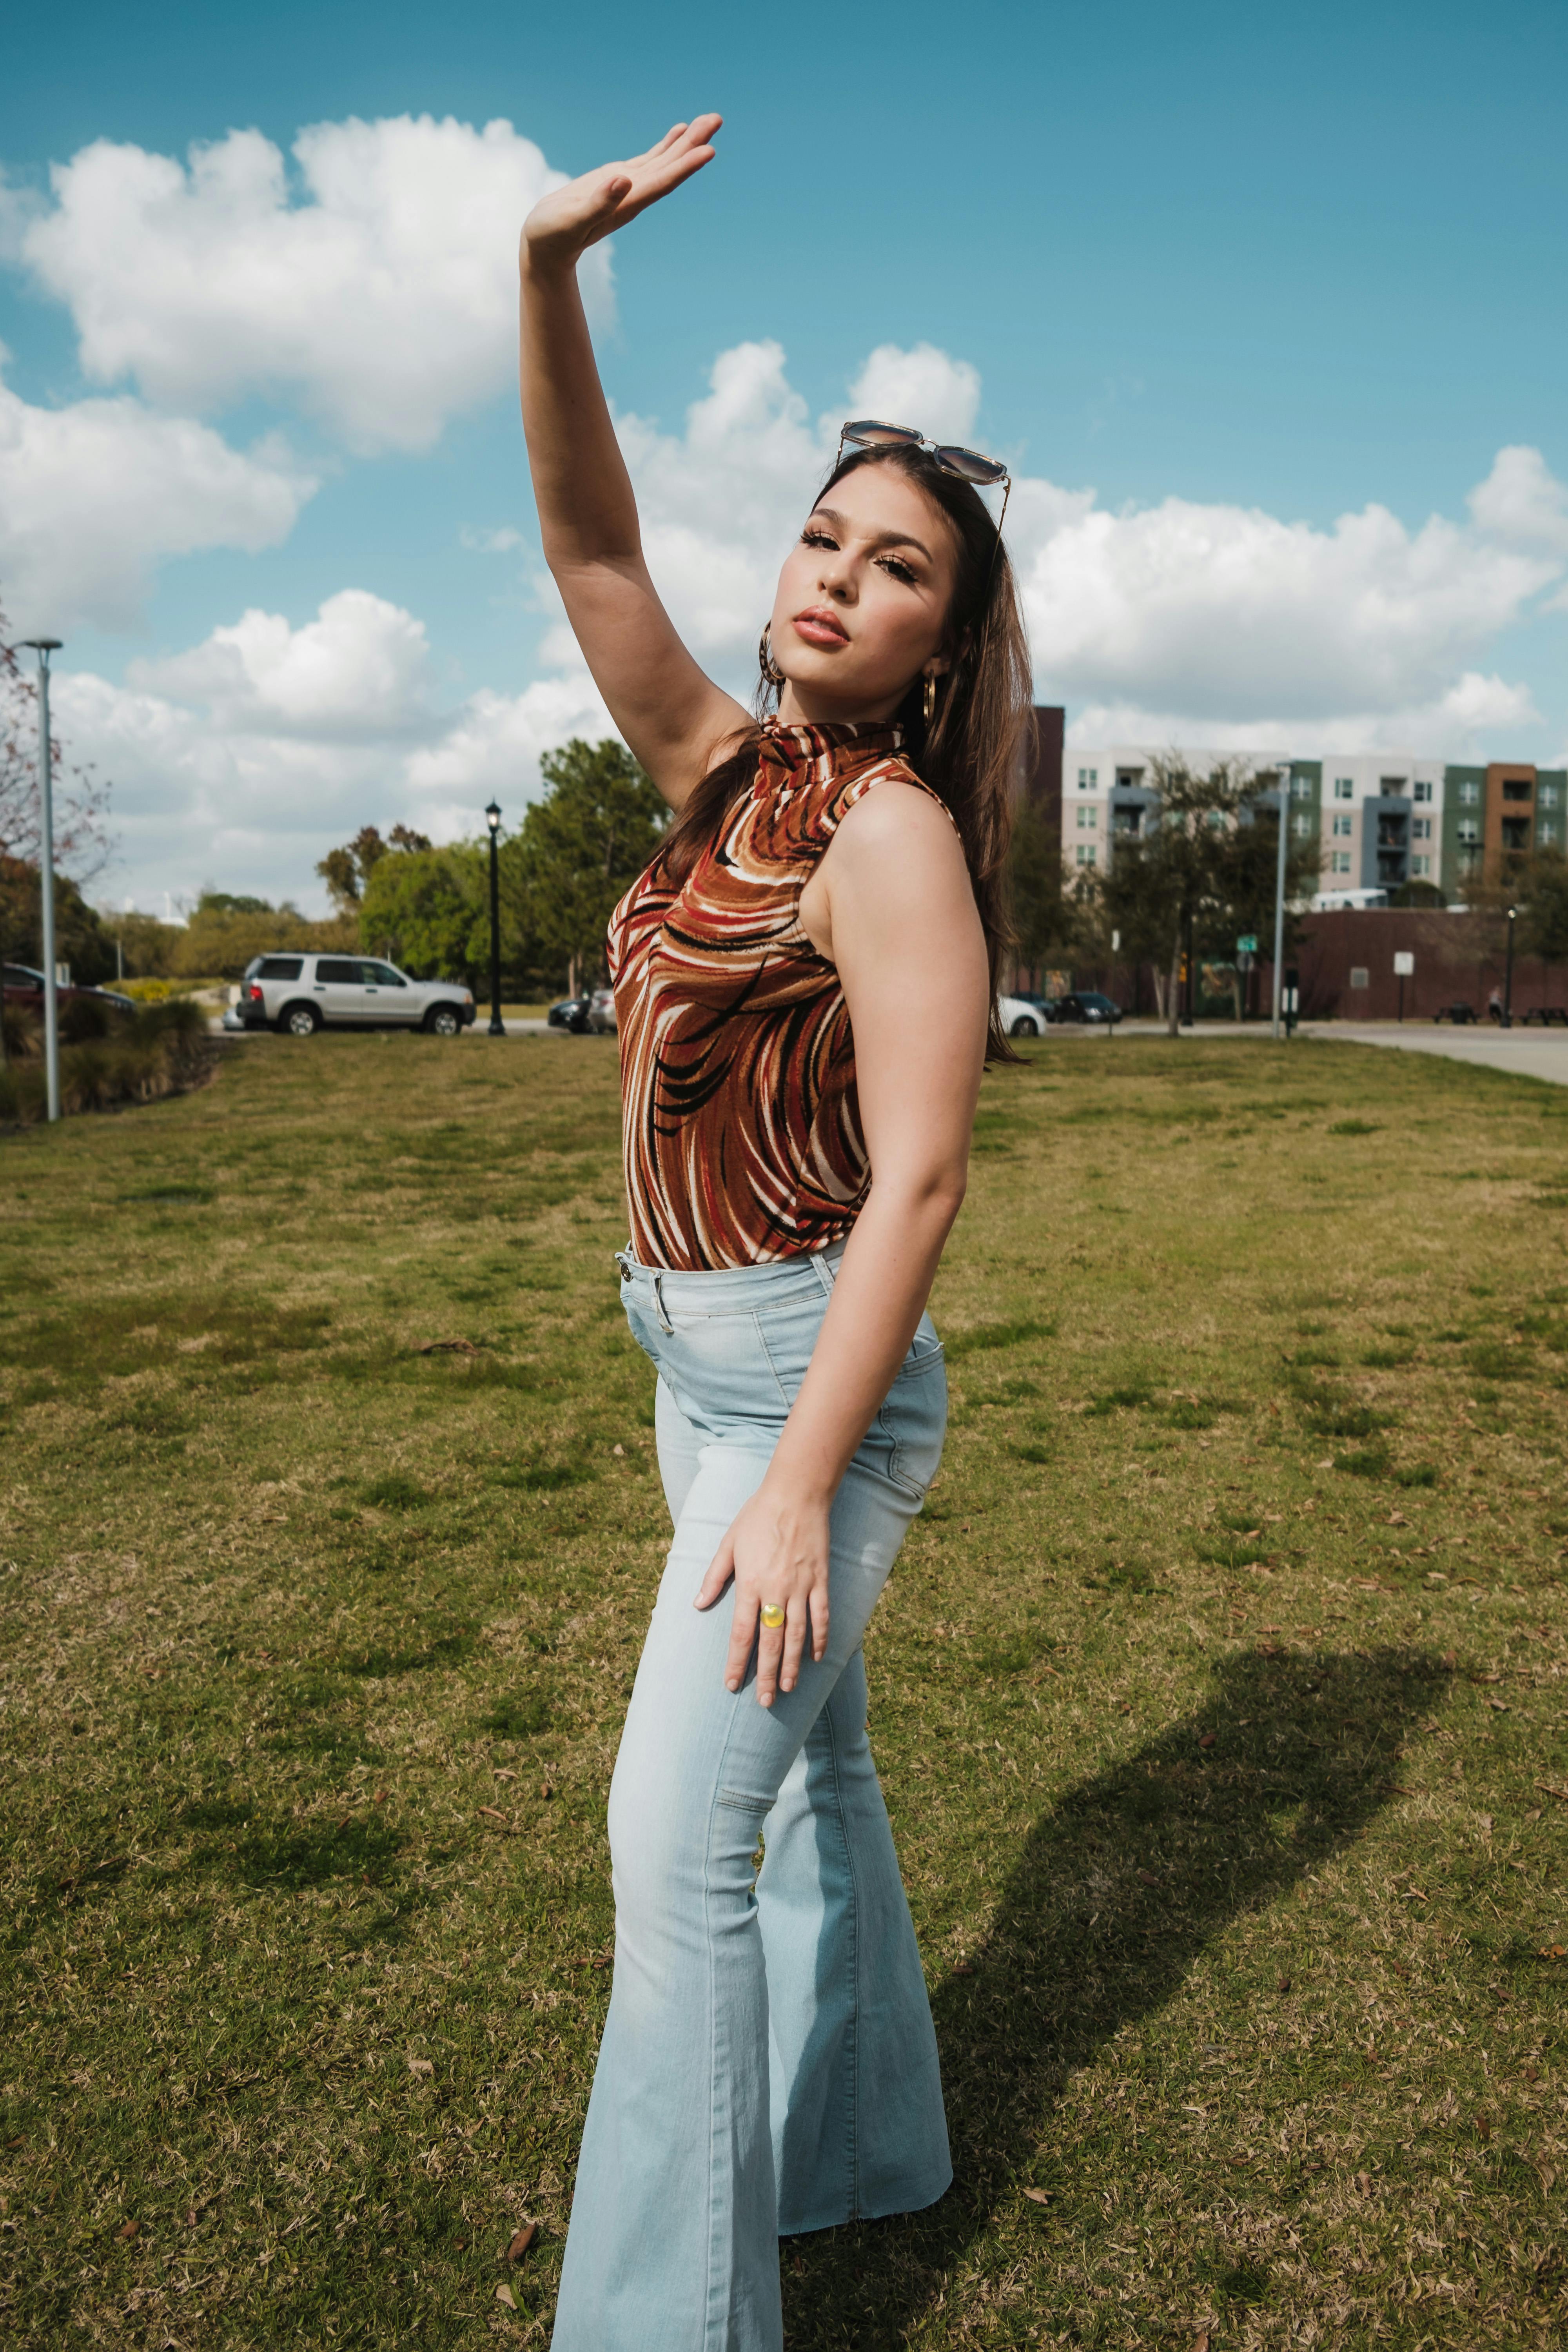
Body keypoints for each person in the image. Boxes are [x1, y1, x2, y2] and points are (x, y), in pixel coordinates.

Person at [518, 114, 1033, 2352]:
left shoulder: (894, 831)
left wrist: (807, 1477)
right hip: (696, 1354)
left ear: (941, 642)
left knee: (675, 1856)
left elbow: (922, 1174)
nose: (832, 574)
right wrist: (547, 272)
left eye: (893, 563)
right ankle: (858, 2160)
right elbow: (586, 535)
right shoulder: (733, 775)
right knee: (807, 1776)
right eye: (822, 536)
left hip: (801, 1384)